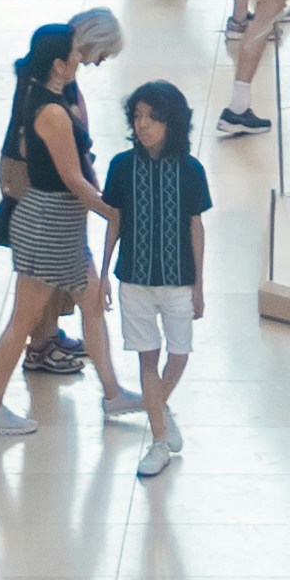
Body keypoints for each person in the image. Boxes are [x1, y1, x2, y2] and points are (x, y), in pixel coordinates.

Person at [0, 27, 133, 434]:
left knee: (92, 302)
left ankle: (113, 393)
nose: (80, 59)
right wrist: (113, 214)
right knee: (23, 320)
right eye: (74, 56)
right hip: (48, 224)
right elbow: (74, 179)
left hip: (57, 222)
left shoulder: (44, 95)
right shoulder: (52, 112)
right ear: (58, 65)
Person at [104, 78, 209, 478]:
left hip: (178, 279)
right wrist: (103, 276)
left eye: (152, 117)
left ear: (173, 123)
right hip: (134, 279)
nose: (142, 124)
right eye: (137, 116)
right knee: (148, 358)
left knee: (178, 355)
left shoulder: (190, 170)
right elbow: (114, 221)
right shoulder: (121, 167)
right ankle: (160, 439)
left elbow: (195, 227)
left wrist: (199, 285)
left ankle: (157, 410)